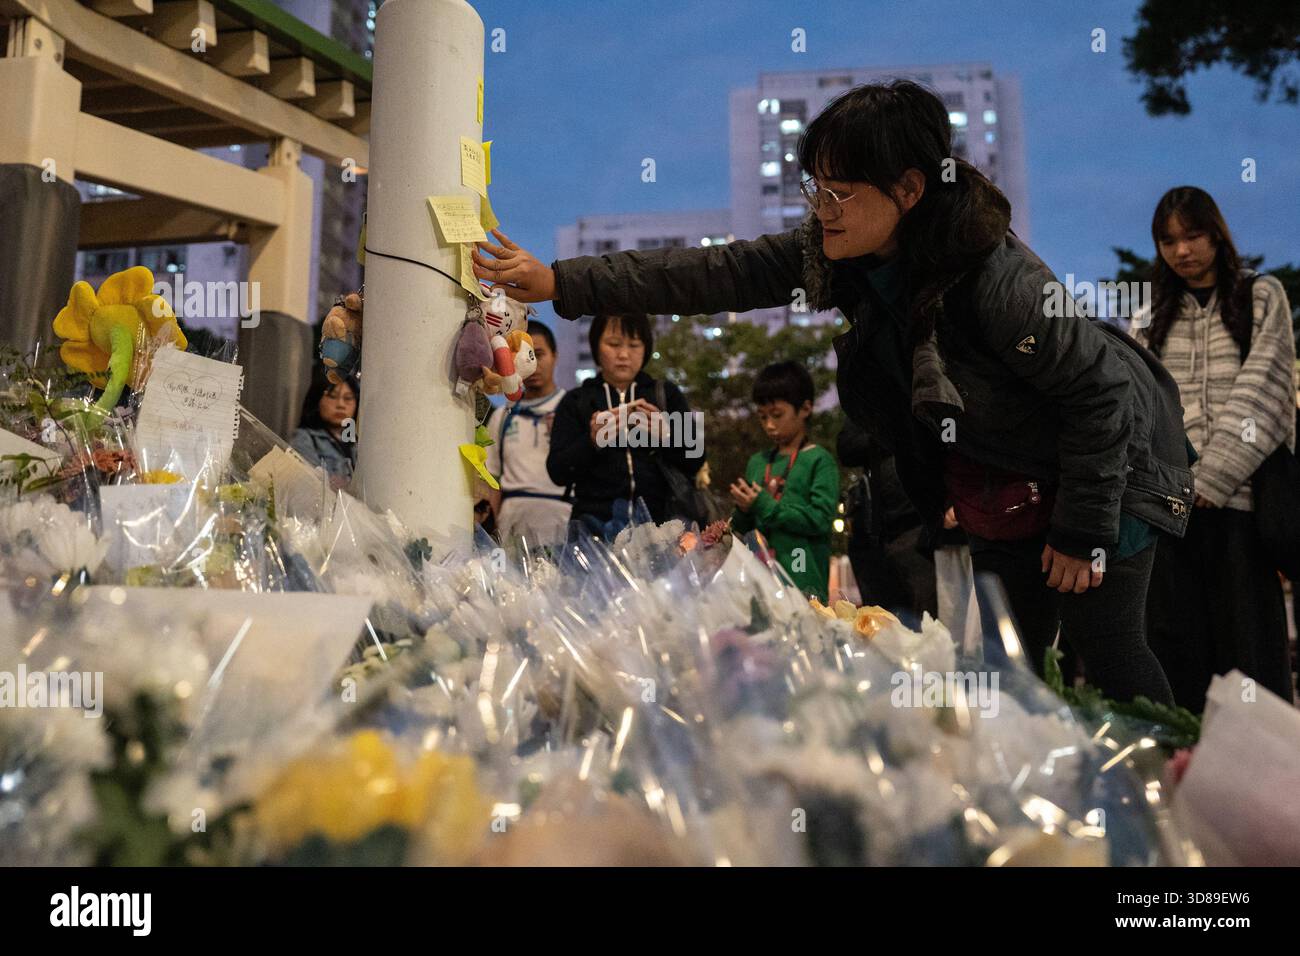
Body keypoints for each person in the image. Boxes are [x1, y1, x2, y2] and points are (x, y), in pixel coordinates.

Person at [473, 80, 1195, 704]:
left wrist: (1080, 530)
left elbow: (1101, 398)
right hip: (1010, 479)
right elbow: (714, 273)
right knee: (1006, 664)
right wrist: (562, 282)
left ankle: (1175, 803)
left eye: (841, 192)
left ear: (909, 190)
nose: (822, 208)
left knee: (1109, 647)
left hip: (1119, 459)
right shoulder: (838, 251)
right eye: (814, 188)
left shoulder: (998, 280)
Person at [1135, 186, 1297, 711]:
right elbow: (1140, 410)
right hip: (1172, 518)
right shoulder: (1148, 316)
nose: (1183, 251)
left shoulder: (1260, 296)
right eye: (1168, 240)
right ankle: (1189, 778)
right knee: (1181, 662)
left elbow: (1267, 390)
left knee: (1252, 662)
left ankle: (1263, 789)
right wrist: (1171, 489)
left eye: (1193, 235)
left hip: (1242, 511)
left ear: (1217, 233)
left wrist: (1210, 479)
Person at [545, 312, 703, 537]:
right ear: (596, 346)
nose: (623, 354)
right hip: (593, 528)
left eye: (634, 345)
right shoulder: (577, 401)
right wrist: (591, 441)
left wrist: (667, 436)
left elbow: (696, 459)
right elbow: (557, 472)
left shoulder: (665, 394)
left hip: (662, 528)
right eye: (613, 344)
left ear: (646, 348)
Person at [730, 361, 840, 602]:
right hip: (759, 581)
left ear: (805, 409)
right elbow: (744, 527)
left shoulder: (819, 460)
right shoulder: (757, 462)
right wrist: (742, 509)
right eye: (762, 417)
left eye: (777, 415)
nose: (769, 424)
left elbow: (820, 520)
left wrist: (763, 505)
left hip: (803, 577)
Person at [484, 320, 571, 543]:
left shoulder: (573, 411)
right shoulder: (502, 416)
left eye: (538, 354)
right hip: (511, 524)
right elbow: (491, 483)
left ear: (555, 355)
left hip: (564, 522)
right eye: (521, 356)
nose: (531, 365)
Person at [291, 371, 358, 490]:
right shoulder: (304, 439)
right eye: (333, 396)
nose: (341, 405)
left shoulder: (357, 443)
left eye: (348, 398)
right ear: (317, 400)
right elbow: (311, 486)